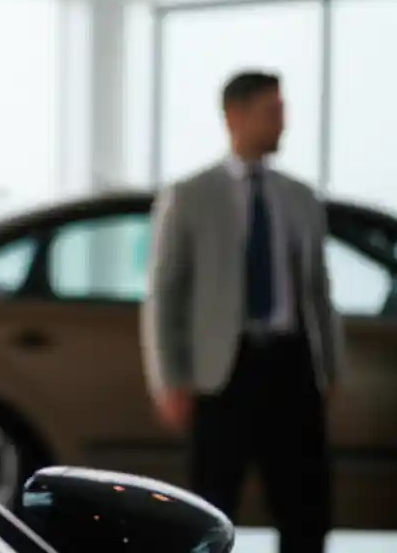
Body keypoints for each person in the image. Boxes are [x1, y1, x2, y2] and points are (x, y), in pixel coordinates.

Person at [139, 70, 344, 553]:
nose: (283, 124)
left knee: (306, 504)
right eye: (273, 112)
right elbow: (165, 294)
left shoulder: (299, 197)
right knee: (212, 505)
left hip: (292, 365)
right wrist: (170, 379)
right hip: (223, 372)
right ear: (235, 116)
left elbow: (318, 290)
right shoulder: (190, 196)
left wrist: (330, 369)